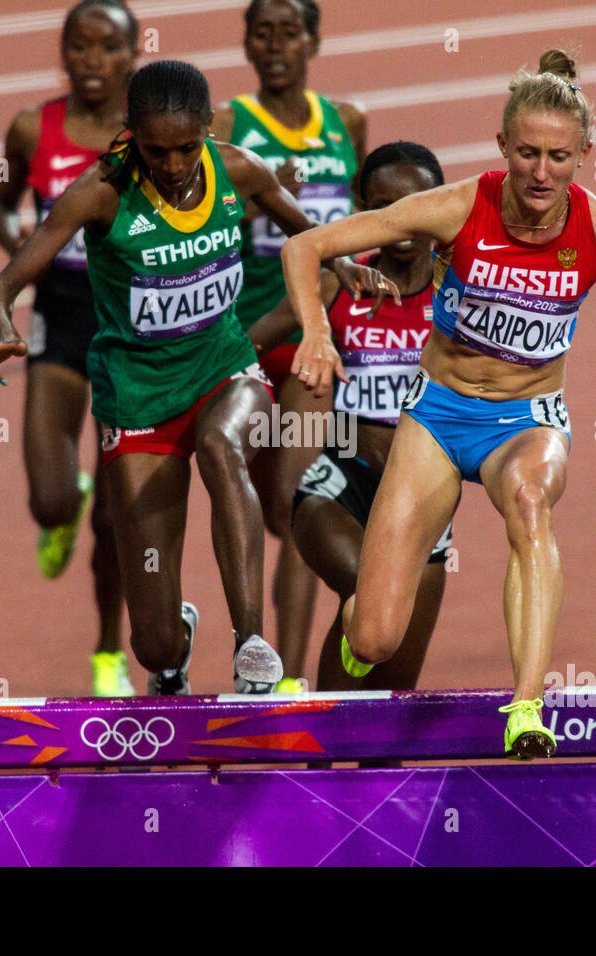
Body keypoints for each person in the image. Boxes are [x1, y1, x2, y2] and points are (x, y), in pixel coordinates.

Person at [281, 50, 596, 757]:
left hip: (526, 421)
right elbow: (306, 246)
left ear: (585, 155)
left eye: (561, 157)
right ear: (503, 145)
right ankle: (358, 630)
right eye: (530, 154)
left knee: (532, 502)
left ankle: (527, 708)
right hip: (440, 416)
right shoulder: (456, 208)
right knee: (377, 636)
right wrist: (318, 333)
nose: (543, 173)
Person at [0, 60, 388, 695]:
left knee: (222, 447)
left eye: (186, 148)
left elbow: (310, 240)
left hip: (223, 367)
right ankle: (176, 643)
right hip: (137, 397)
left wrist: (347, 264)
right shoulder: (100, 192)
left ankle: (252, 644)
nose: (173, 165)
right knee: (153, 642)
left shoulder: (238, 168)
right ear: (131, 135)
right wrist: (4, 325)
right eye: (156, 150)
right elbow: (3, 285)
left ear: (207, 130)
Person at [209, 0, 366, 688]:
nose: (276, 46)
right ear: (246, 43)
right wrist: (261, 198)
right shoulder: (226, 125)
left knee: (301, 498)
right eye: (262, 33)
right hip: (241, 338)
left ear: (314, 40)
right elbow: (199, 216)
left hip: (310, 337)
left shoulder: (346, 123)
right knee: (268, 503)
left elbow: (360, 222)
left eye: (289, 32)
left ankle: (289, 680)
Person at [257, 142, 448, 690]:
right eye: (385, 206)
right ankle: (316, 759)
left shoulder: (460, 293)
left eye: (416, 204)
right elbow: (249, 343)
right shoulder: (336, 283)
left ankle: (364, 767)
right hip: (339, 484)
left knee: (393, 688)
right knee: (370, 604)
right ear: (364, 208)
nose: (403, 221)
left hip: (423, 498)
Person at [0, 0, 136, 696]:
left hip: (132, 328)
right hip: (60, 317)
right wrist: (23, 248)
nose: (92, 59)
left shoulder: (151, 131)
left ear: (134, 55)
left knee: (117, 516)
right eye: (79, 45)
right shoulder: (31, 128)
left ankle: (109, 652)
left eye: (108, 47)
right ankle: (64, 505)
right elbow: (1, 202)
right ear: (63, 52)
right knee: (51, 501)